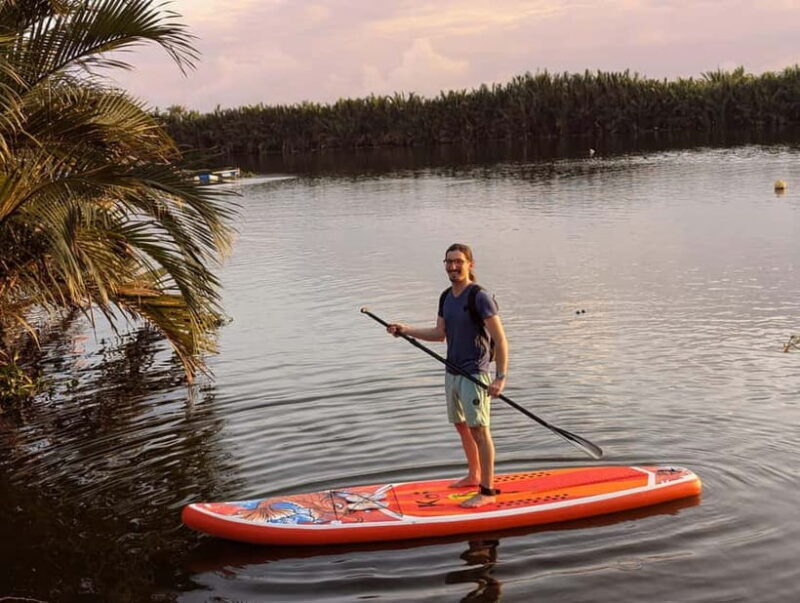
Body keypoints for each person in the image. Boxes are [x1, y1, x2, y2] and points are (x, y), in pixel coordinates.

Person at [387, 243, 508, 508]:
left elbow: (500, 338)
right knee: (460, 424)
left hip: (475, 373)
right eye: (449, 262)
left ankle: (487, 491)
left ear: (470, 264)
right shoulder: (445, 297)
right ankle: (474, 474)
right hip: (452, 372)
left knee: (479, 430)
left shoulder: (479, 296)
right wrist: (405, 330)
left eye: (458, 262)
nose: (453, 266)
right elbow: (439, 334)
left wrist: (500, 377)